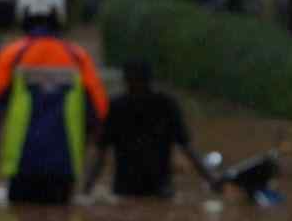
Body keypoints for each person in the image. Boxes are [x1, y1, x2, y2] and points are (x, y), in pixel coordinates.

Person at [0, 0, 109, 205]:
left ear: (22, 13)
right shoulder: (78, 57)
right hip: (64, 165)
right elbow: (99, 111)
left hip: (21, 163)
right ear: (60, 14)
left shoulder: (12, 56)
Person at [82, 59, 217, 198]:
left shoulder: (117, 106)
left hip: (126, 189)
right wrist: (212, 179)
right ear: (150, 80)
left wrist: (86, 189)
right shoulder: (166, 104)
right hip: (160, 188)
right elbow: (188, 149)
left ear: (126, 80)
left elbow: (101, 155)